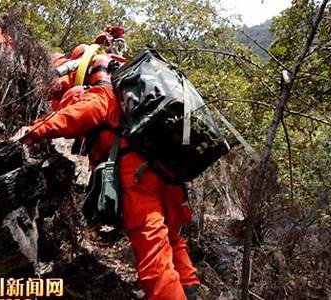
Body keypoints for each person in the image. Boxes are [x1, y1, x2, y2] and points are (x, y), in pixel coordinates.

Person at [11, 27, 200, 300]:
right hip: (168, 172)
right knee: (172, 240)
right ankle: (191, 292)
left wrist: (32, 131)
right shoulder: (131, 90)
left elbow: (75, 116)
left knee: (154, 255)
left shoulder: (102, 93)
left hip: (138, 178)